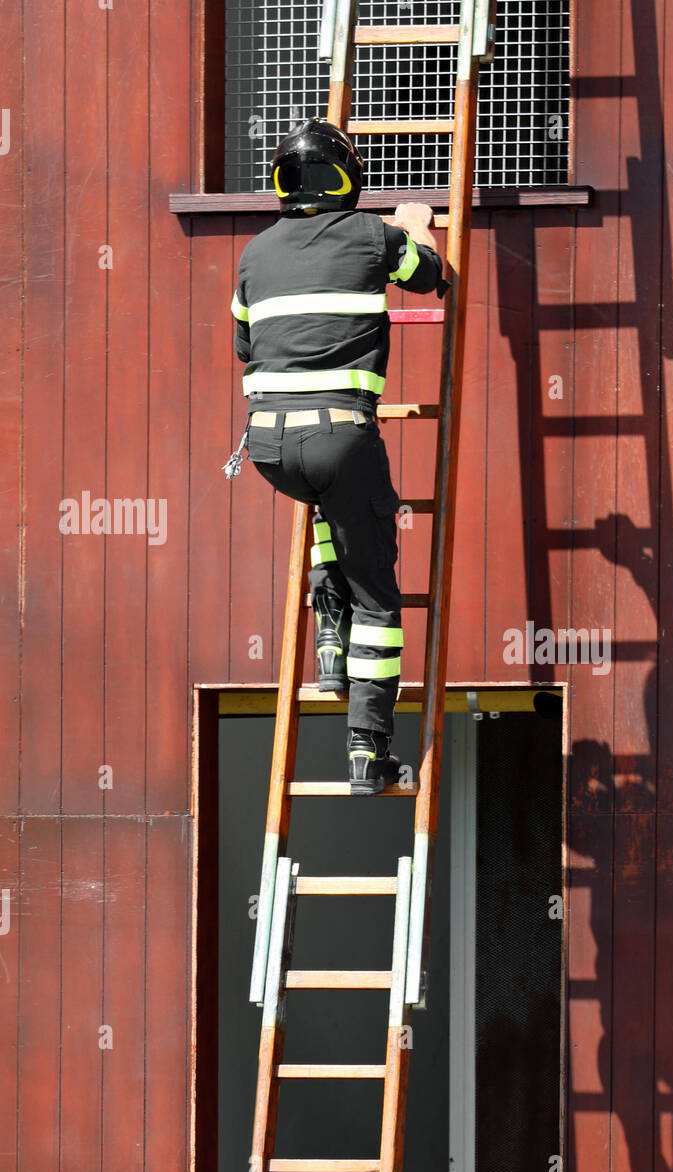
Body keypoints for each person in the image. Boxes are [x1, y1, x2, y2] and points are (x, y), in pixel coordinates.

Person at [230, 118, 445, 793]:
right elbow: (432, 275)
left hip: (268, 447)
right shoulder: (371, 235)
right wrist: (417, 225)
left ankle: (328, 640)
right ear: (347, 178)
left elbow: (244, 346)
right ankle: (367, 749)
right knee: (380, 599)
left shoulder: (252, 254)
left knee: (327, 505)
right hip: (340, 439)